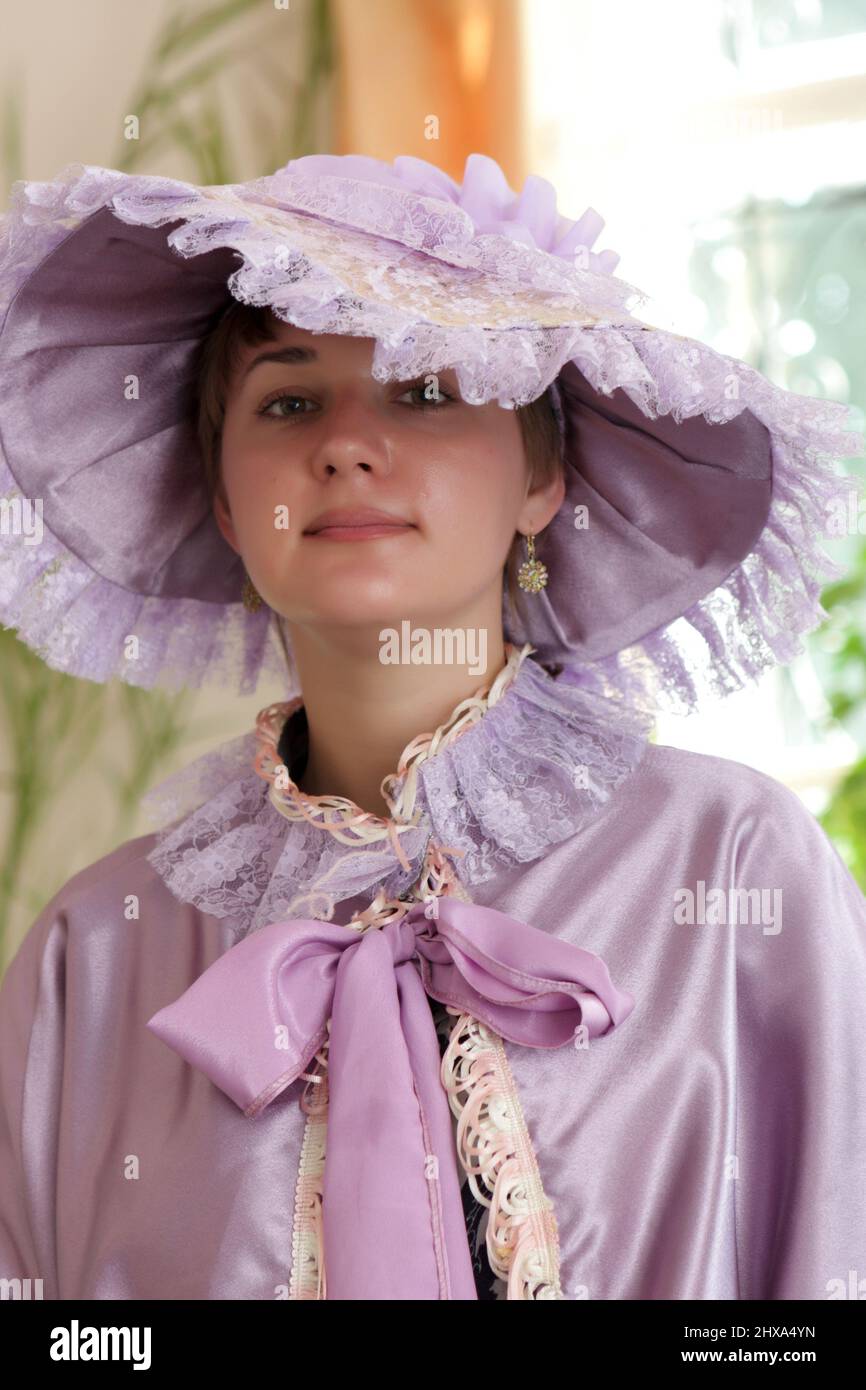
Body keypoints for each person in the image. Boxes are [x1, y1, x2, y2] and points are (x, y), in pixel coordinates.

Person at [0, 150, 865, 1302]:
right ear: (218, 494)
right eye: (289, 399)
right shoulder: (95, 955)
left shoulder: (733, 867)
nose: (346, 445)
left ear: (539, 480)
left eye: (424, 389)